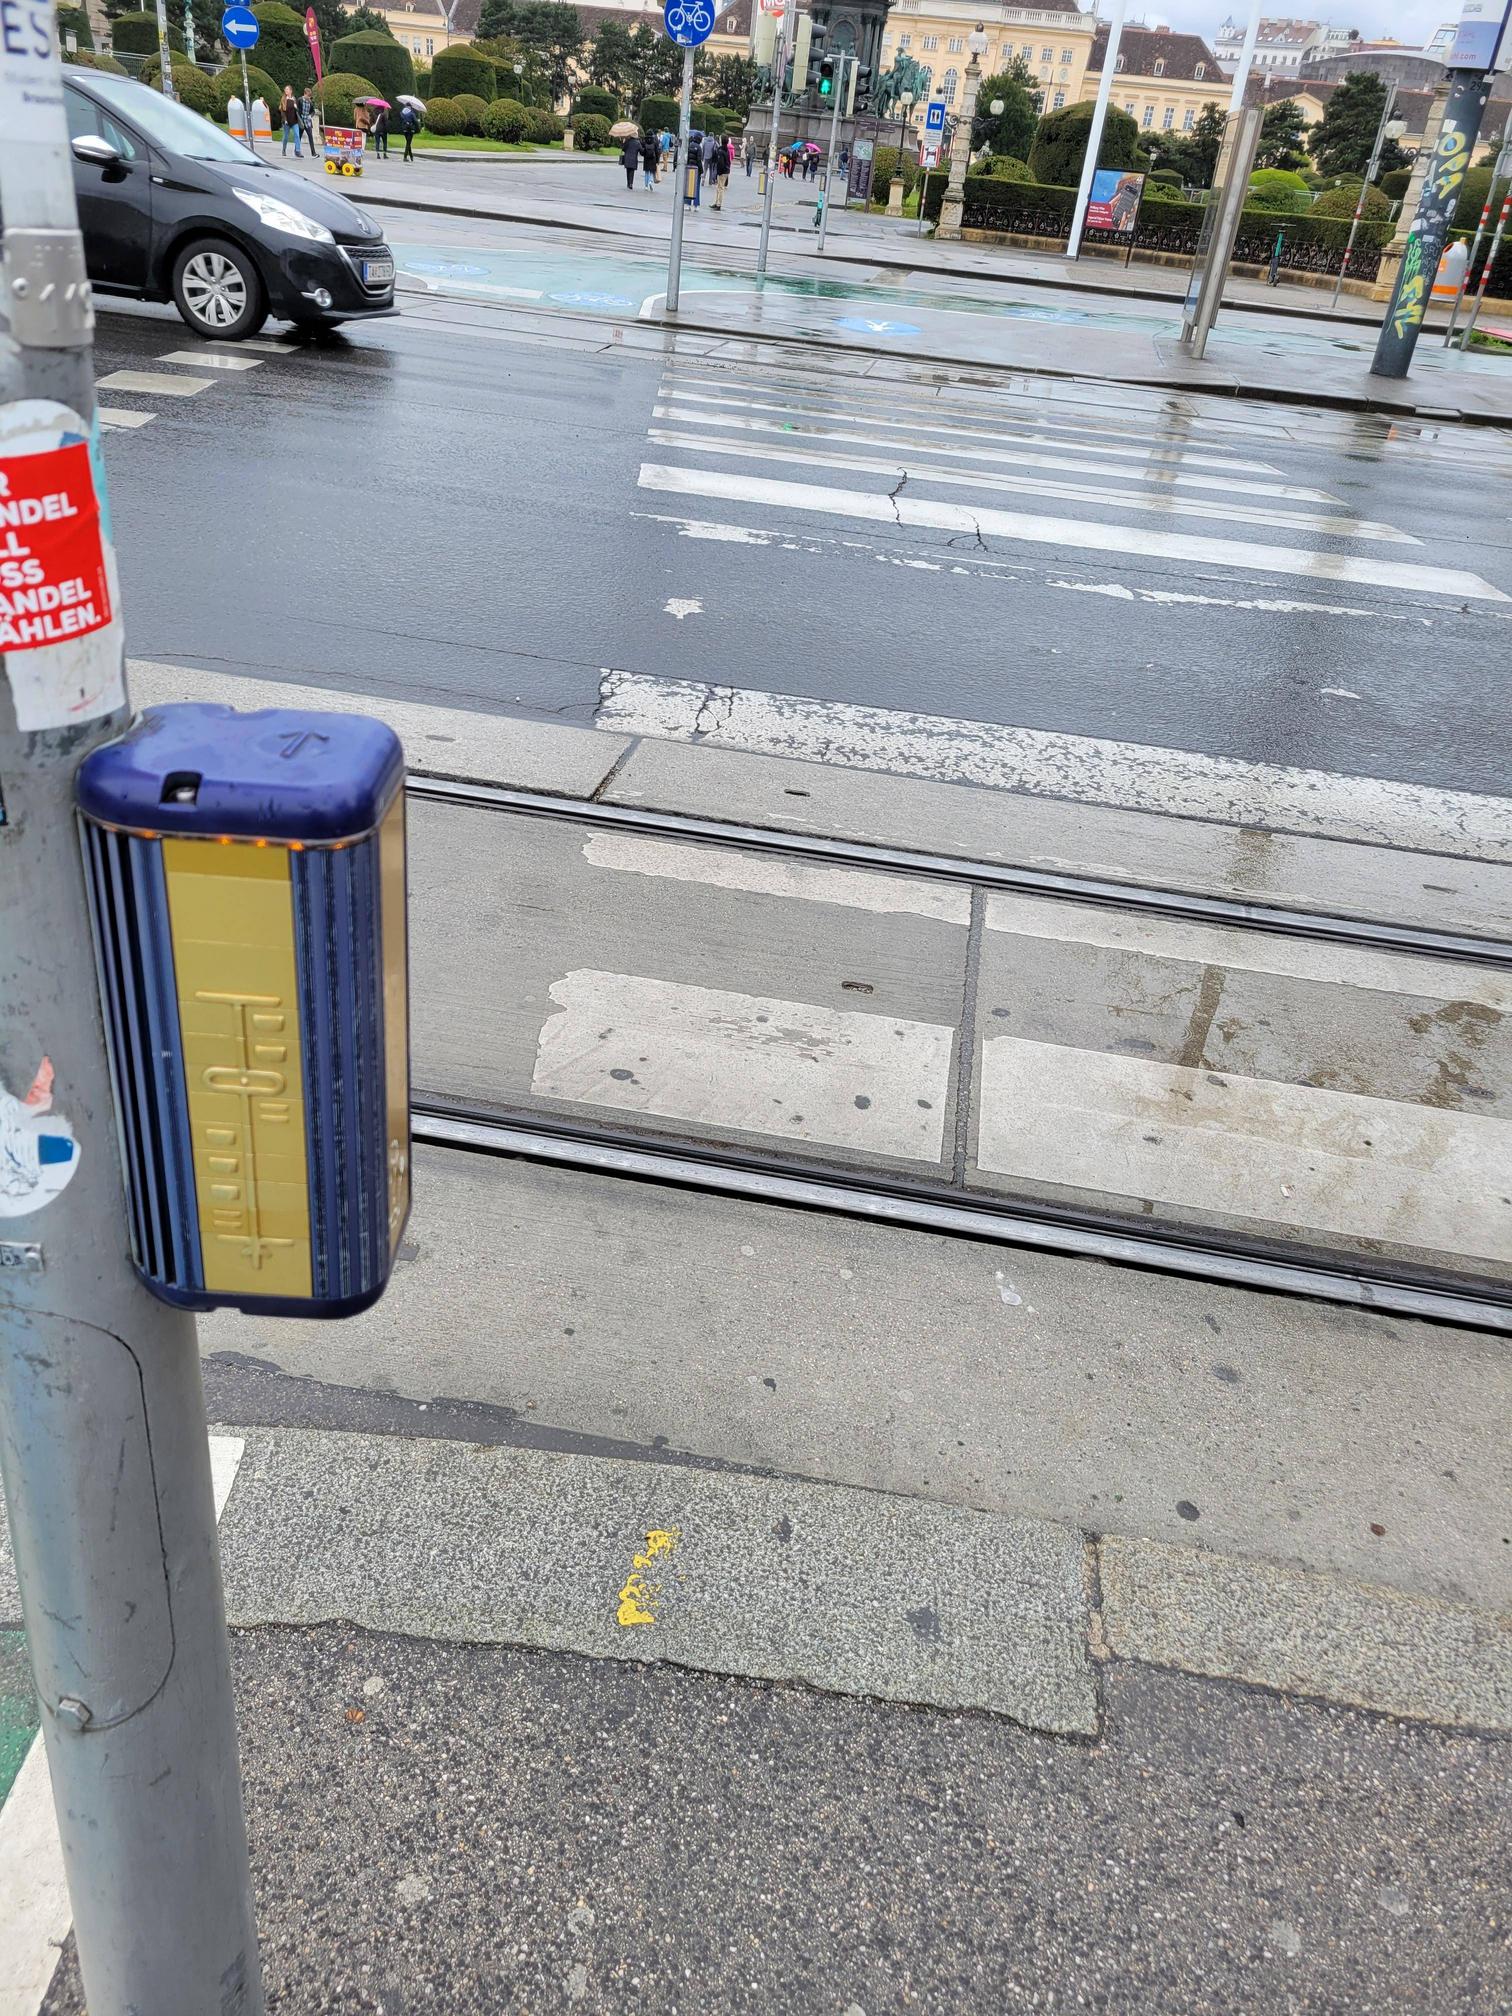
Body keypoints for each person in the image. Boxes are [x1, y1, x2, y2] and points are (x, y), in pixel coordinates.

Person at [279, 85, 302, 156]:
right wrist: (285, 120)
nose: (286, 91)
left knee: (297, 135)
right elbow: (282, 111)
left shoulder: (294, 99)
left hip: (294, 121)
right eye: (285, 89)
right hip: (286, 121)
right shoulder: (283, 99)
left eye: (287, 89)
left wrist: (296, 107)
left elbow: (297, 110)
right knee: (286, 137)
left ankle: (298, 151)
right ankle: (283, 150)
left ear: (291, 91)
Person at [712, 134, 732, 210]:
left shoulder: (721, 151)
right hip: (726, 170)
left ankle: (718, 204)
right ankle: (716, 202)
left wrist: (719, 172)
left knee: (720, 188)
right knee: (719, 187)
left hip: (722, 171)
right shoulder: (725, 149)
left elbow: (721, 163)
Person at [299, 85, 316, 152]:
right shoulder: (300, 100)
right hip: (301, 120)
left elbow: (313, 111)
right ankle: (297, 150)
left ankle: (313, 152)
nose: (309, 97)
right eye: (308, 96)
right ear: (304, 94)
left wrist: (310, 116)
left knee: (310, 137)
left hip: (308, 121)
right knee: (299, 136)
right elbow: (297, 110)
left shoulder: (310, 102)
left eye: (310, 96)